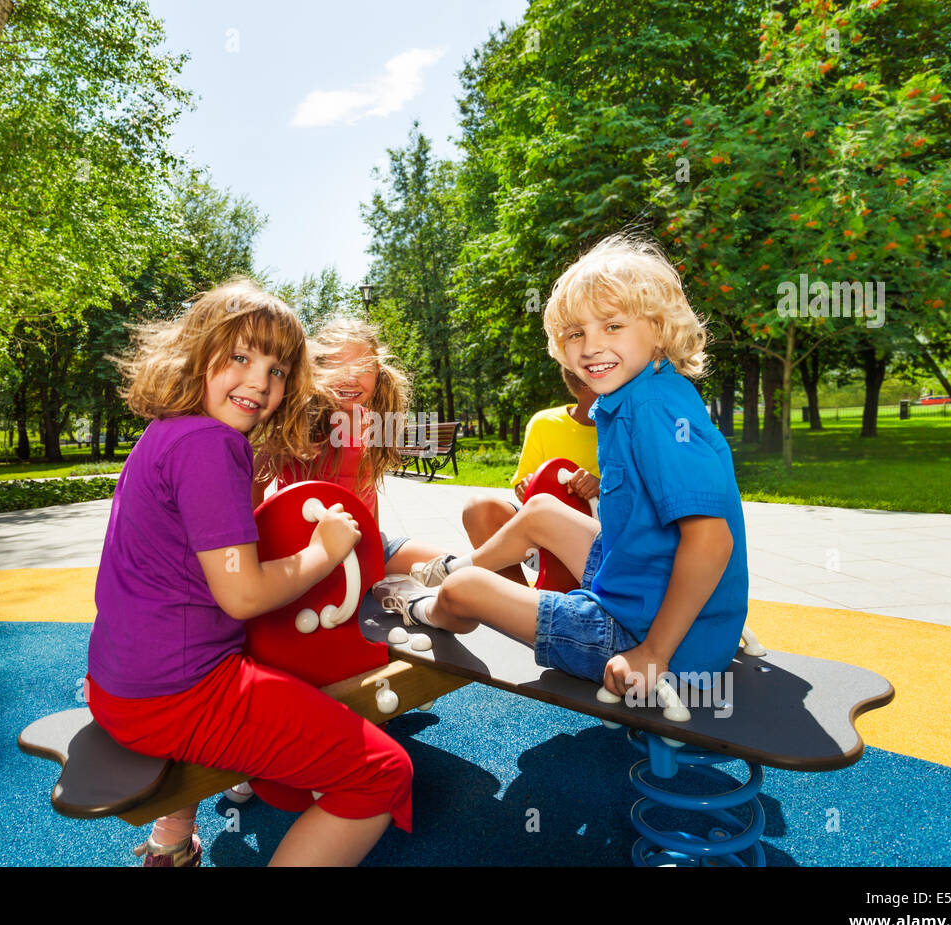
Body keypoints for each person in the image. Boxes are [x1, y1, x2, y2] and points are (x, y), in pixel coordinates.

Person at [86, 280, 412, 867]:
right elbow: (243, 595)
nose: (261, 381)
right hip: (178, 695)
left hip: (117, 686)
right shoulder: (211, 446)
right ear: (196, 352)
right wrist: (325, 550)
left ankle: (178, 833)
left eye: (279, 369)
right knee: (383, 772)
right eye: (241, 357)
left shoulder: (167, 433)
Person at [372, 233, 749, 701]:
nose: (590, 347)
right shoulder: (644, 394)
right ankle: (452, 567)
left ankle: (430, 604)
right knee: (543, 511)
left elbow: (711, 539)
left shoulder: (650, 410)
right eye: (576, 333)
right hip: (644, 586)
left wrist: (652, 653)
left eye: (612, 326)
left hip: (653, 640)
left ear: (659, 326)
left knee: (470, 589)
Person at [255, 315, 448, 581]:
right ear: (317, 369)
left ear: (378, 371)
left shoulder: (375, 420)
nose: (350, 379)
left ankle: (419, 603)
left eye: (362, 368)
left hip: (364, 546)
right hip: (305, 552)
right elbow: (255, 477)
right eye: (337, 367)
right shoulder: (296, 420)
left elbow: (369, 487)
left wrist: (374, 563)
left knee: (451, 565)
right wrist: (254, 549)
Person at [455, 366, 602, 586]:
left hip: (598, 538)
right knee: (479, 508)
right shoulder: (544, 423)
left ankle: (460, 568)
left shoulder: (628, 426)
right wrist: (527, 486)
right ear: (584, 384)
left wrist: (600, 486)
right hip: (540, 538)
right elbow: (522, 487)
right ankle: (518, 598)